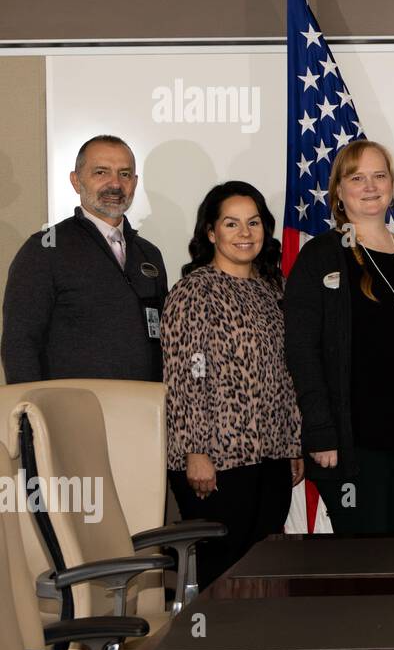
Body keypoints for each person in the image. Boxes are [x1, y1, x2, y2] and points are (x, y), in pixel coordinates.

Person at [283, 140, 394, 535]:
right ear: (339, 191)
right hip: (350, 447)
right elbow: (301, 351)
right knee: (361, 560)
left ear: (392, 184)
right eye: (356, 177)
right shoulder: (322, 256)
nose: (370, 186)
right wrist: (321, 431)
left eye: (379, 176)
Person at [162, 182, 301, 589]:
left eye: (254, 222)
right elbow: (184, 376)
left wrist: (292, 443)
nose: (245, 233)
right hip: (217, 461)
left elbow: (287, 373)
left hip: (272, 455)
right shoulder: (193, 291)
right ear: (211, 232)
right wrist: (196, 451)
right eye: (232, 223)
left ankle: (259, 649)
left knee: (264, 568)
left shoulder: (274, 290)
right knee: (222, 574)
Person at [3, 135, 168, 383]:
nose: (115, 184)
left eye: (124, 174)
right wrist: (31, 412)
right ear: (76, 180)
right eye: (101, 173)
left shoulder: (149, 254)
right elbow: (20, 342)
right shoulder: (45, 249)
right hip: (71, 414)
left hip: (143, 412)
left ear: (134, 183)